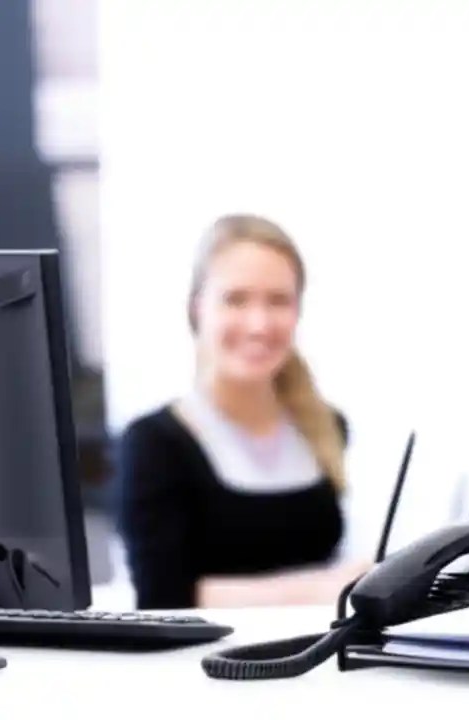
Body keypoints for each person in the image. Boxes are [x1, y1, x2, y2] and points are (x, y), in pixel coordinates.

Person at [115, 214, 371, 609]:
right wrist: (324, 588)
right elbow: (162, 596)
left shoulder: (328, 426)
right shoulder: (153, 444)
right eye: (236, 299)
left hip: (317, 662)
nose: (259, 324)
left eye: (279, 300)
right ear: (198, 308)